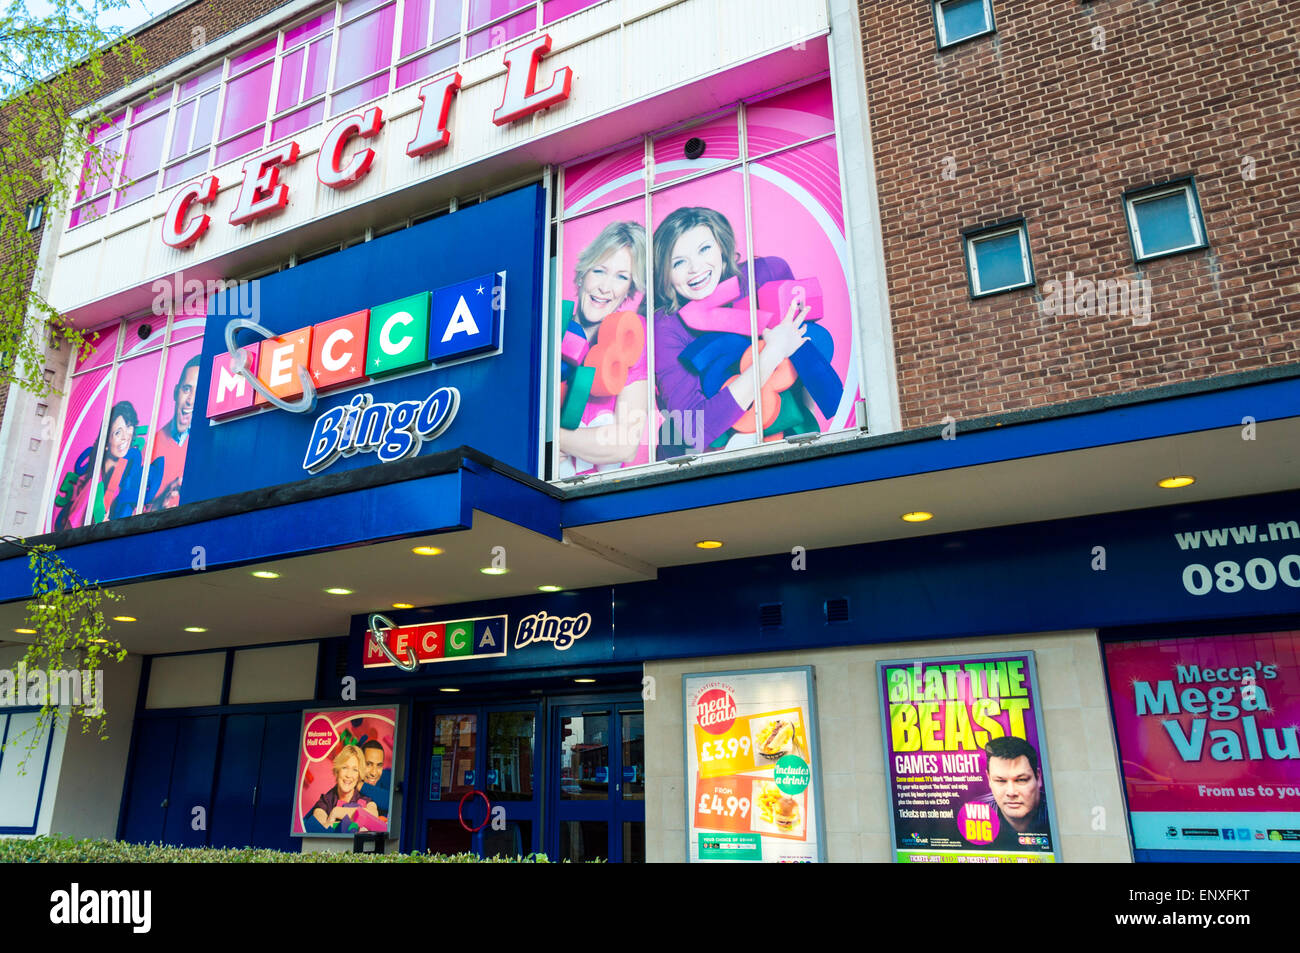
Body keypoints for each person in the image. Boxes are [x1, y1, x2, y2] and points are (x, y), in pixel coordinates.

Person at [651, 207, 811, 456]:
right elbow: (695, 429)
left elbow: (808, 364)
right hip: (699, 469)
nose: (695, 268)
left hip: (780, 442)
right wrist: (773, 353)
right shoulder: (665, 327)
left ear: (722, 249)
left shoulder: (768, 274)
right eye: (679, 262)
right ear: (665, 275)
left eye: (704, 249)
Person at [556, 221, 651, 477]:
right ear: (583, 273)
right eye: (599, 271)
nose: (605, 288)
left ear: (629, 289)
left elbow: (625, 444)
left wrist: (553, 438)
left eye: (621, 277)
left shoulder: (632, 337)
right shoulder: (550, 328)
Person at [145, 356, 200, 511]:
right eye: (187, 389)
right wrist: (161, 503)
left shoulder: (205, 443)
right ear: (176, 392)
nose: (190, 400)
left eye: (198, 391)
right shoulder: (151, 448)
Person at [981, 736, 1051, 850]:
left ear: (1038, 778)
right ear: (989, 779)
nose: (1011, 792)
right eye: (1000, 781)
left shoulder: (1054, 813)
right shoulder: (975, 811)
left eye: (1021, 780)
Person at [307, 745, 382, 832]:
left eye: (355, 770)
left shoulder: (364, 799)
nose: (348, 775)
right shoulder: (326, 801)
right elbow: (320, 826)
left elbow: (373, 814)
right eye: (344, 767)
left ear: (359, 775)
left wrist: (337, 812)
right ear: (337, 770)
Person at [97, 401, 144, 522]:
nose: (125, 437)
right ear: (106, 442)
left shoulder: (124, 474)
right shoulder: (95, 481)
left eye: (128, 427)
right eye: (118, 432)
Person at [358, 739, 391, 817]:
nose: (374, 773)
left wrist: (360, 785)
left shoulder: (386, 776)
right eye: (369, 764)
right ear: (359, 763)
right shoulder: (349, 781)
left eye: (379, 765)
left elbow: (394, 802)